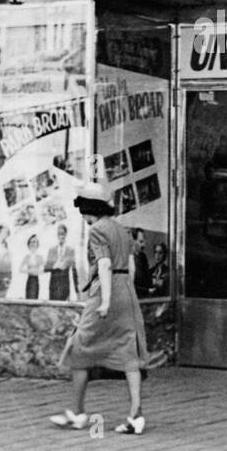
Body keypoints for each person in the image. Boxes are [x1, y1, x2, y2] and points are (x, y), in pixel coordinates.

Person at [51, 182, 149, 435]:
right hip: (126, 291)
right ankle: (135, 415)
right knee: (129, 354)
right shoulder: (121, 229)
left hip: (106, 293)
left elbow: (104, 264)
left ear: (88, 208)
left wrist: (105, 301)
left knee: (79, 348)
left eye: (82, 210)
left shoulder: (97, 230)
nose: (82, 217)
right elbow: (131, 265)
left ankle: (78, 412)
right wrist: (126, 291)